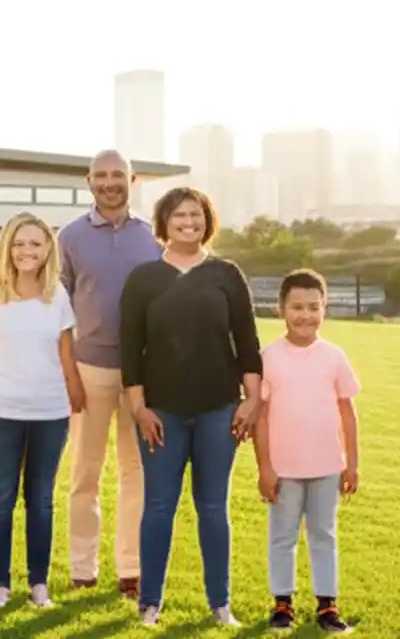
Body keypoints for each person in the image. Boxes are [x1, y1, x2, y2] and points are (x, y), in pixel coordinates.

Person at [120, 186, 264, 628]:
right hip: (161, 414)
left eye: (197, 214)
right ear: (164, 223)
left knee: (213, 508)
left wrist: (253, 399)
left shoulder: (226, 274)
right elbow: (129, 350)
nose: (189, 222)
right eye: (179, 215)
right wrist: (140, 410)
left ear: (207, 220)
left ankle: (220, 604)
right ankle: (150, 604)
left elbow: (248, 342)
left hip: (219, 409)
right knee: (159, 506)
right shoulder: (143, 278)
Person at [0, 212, 86, 609]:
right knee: (1, 495)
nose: (26, 251)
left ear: (48, 248)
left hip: (50, 412)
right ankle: (0, 584)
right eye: (19, 243)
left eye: (35, 243)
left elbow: (66, 351)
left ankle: (38, 584)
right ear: (7, 248)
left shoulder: (57, 293)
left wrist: (75, 391)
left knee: (42, 499)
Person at [58, 149, 162, 599]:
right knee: (85, 471)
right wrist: (68, 375)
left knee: (136, 471)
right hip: (89, 369)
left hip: (143, 375)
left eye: (117, 174)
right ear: (88, 181)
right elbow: (57, 310)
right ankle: (83, 567)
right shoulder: (71, 236)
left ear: (132, 180)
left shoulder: (152, 237)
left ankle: (131, 569)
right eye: (101, 175)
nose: (109, 182)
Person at [254, 269, 361, 634]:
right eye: (297, 307)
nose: (305, 315)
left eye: (314, 307)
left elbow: (347, 412)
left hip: (327, 465)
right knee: (282, 536)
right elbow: (261, 417)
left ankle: (327, 605)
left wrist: (352, 465)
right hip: (283, 467)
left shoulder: (333, 356)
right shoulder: (268, 356)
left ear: (324, 308)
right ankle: (282, 603)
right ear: (281, 309)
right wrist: (264, 468)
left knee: (323, 534)